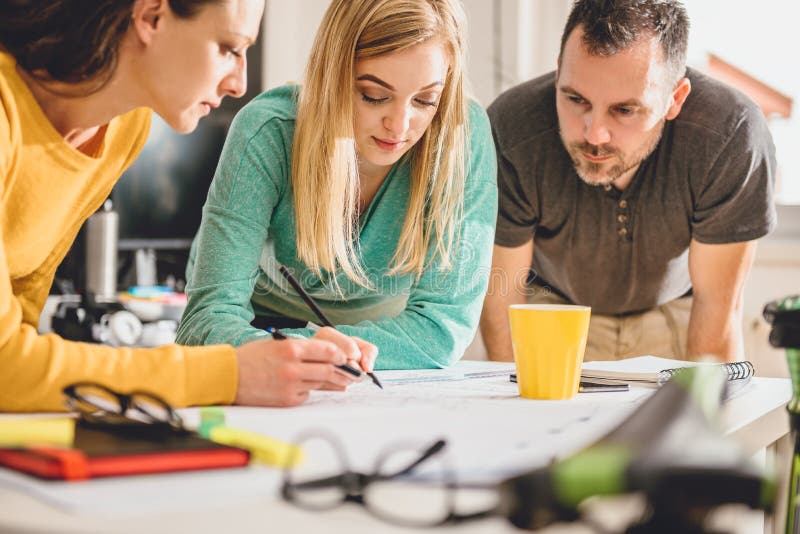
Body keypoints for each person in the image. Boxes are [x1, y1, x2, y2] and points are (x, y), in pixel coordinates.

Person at [0, 0, 376, 412]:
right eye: (229, 49)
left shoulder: (122, 128)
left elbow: (21, 329)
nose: (240, 83)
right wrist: (227, 375)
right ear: (151, 17)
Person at [176, 0, 497, 369]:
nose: (400, 124)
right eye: (374, 96)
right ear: (332, 76)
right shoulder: (269, 131)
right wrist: (287, 349)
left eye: (425, 100)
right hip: (256, 328)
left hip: (387, 345)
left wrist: (322, 350)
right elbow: (205, 323)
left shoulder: (462, 135)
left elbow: (441, 330)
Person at [481, 0, 775, 363]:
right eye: (575, 99)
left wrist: (700, 413)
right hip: (552, 311)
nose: (595, 134)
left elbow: (718, 315)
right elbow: (502, 308)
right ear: (558, 74)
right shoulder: (510, 130)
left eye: (624, 109)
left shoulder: (730, 135)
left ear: (674, 99)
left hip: (676, 313)